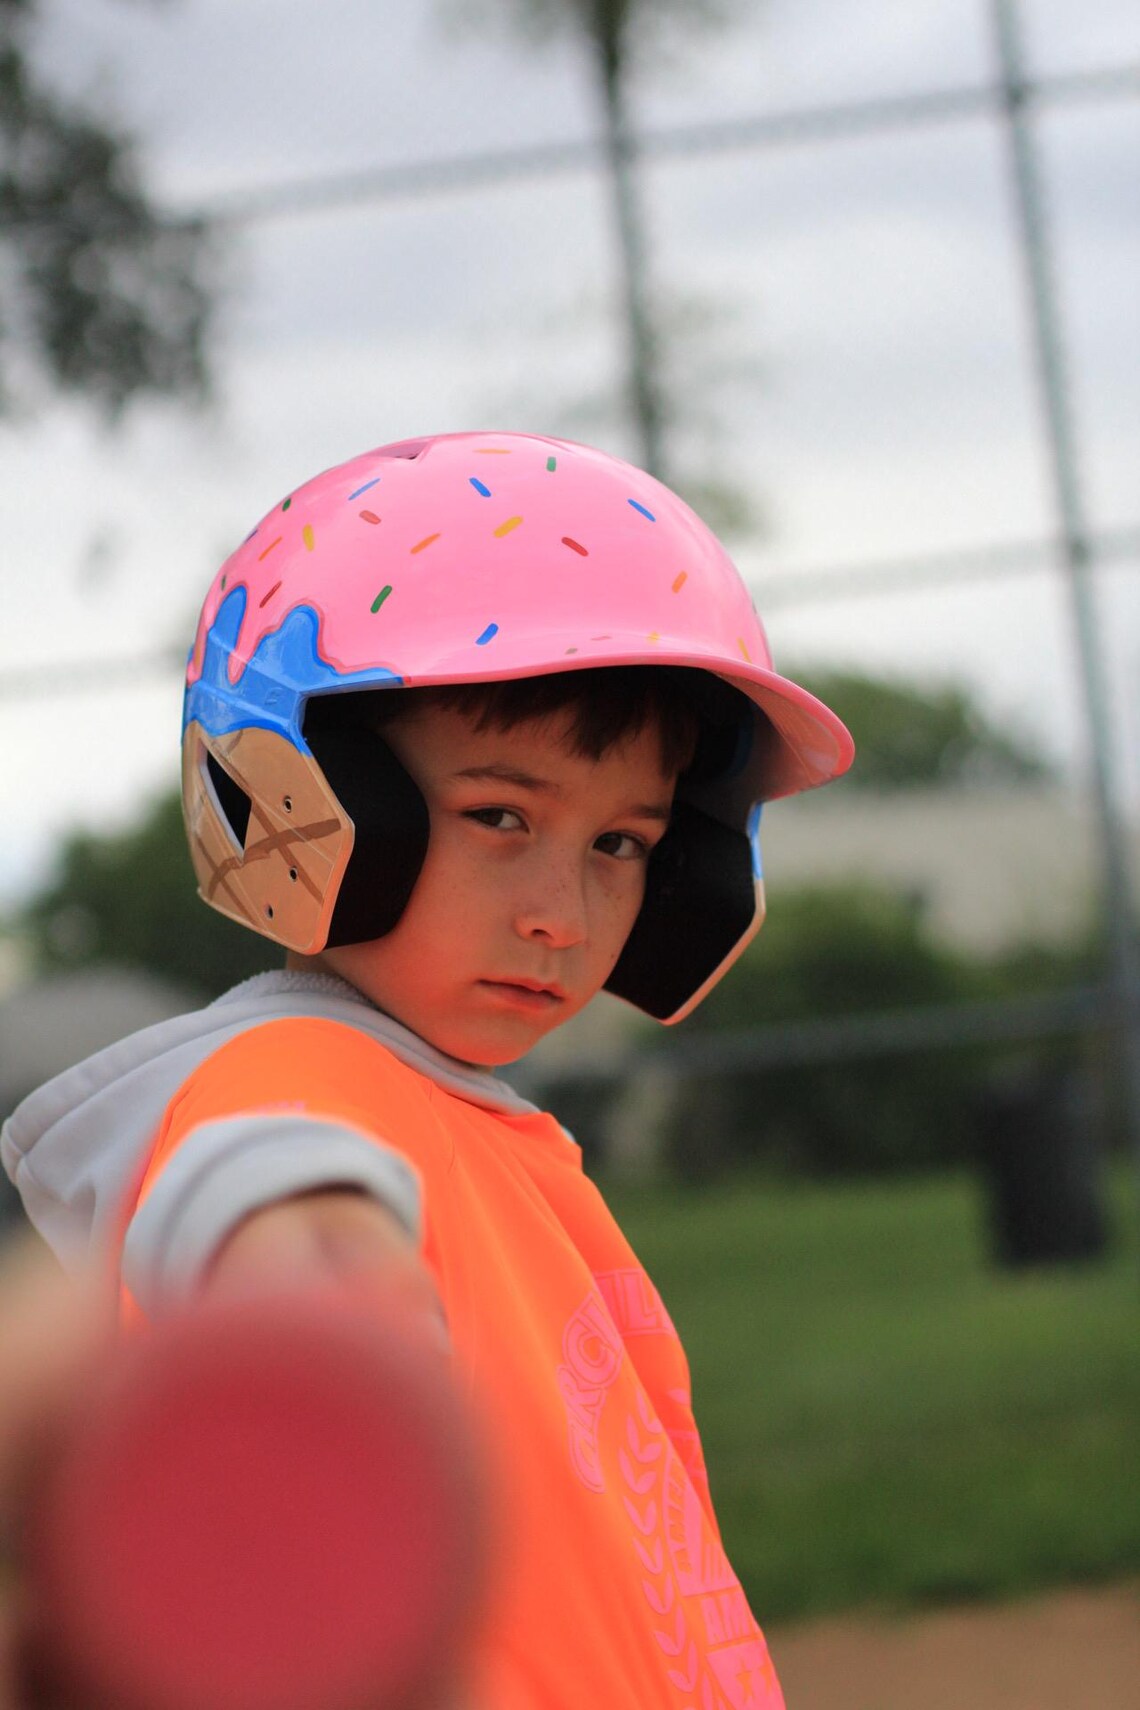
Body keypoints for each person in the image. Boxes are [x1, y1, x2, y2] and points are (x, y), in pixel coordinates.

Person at [2, 431, 853, 1709]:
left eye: (623, 842)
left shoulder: (474, 1124)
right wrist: (287, 1245)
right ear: (305, 792)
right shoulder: (290, 1092)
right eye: (501, 816)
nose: (564, 911)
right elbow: (257, 1168)